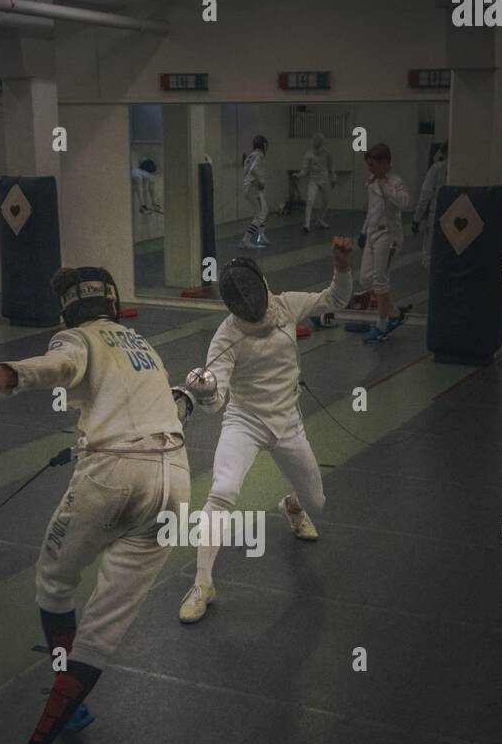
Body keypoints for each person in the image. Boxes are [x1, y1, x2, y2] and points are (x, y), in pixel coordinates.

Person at [0, 266, 194, 744]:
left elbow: (62, 365)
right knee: (102, 630)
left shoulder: (76, 337)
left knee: (54, 584)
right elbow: (161, 407)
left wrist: (13, 372)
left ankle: (60, 699)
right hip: (175, 481)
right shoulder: (143, 345)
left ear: (68, 307)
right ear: (111, 301)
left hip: (110, 475)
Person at [178, 238, 354, 625]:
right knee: (222, 491)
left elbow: (335, 301)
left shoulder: (287, 304)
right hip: (245, 420)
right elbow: (219, 397)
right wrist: (205, 389)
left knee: (318, 503)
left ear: (262, 284)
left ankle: (291, 505)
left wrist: (341, 269)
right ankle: (203, 583)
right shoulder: (226, 336)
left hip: (288, 422)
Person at [358, 143, 409, 344]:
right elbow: (372, 210)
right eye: (368, 165)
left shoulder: (395, 181)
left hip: (389, 237)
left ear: (385, 162)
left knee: (380, 280)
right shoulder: (371, 181)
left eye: (373, 165)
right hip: (372, 234)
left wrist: (386, 188)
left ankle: (382, 325)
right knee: (365, 279)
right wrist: (363, 231)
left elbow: (405, 202)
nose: (370, 169)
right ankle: (395, 314)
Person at [411, 141, 448, 268]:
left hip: (436, 213)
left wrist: (417, 218)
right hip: (456, 213)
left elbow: (425, 195)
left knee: (429, 253)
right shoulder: (461, 169)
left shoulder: (437, 168)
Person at [300, 133, 335, 232]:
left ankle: (319, 219)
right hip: (313, 180)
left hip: (324, 180)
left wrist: (333, 178)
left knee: (326, 202)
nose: (316, 147)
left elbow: (331, 168)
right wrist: (299, 174)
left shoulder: (327, 153)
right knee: (310, 200)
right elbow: (304, 169)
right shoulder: (308, 154)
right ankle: (306, 224)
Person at [241, 134, 269, 249]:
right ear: (263, 145)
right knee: (260, 214)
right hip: (252, 188)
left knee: (264, 210)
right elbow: (253, 169)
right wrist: (261, 181)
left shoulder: (250, 155)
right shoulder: (260, 155)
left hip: (251, 187)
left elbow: (247, 170)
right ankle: (245, 240)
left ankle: (261, 236)